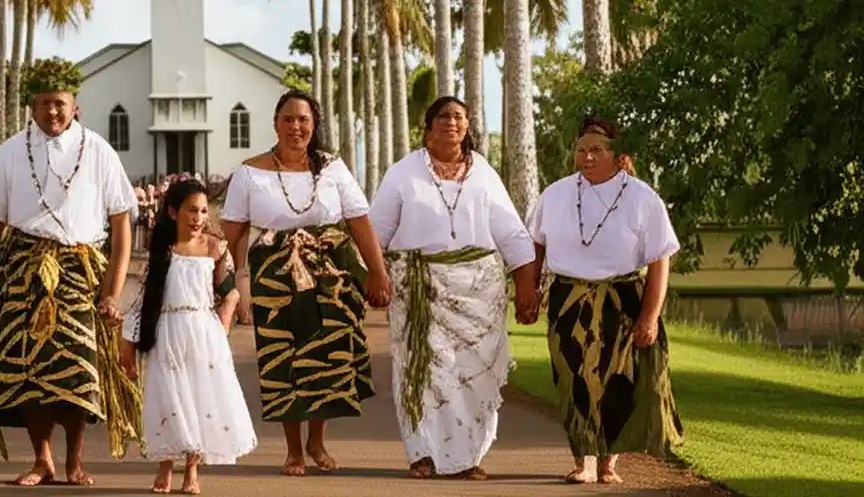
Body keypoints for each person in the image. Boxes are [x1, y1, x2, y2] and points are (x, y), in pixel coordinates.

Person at [0, 57, 142, 487]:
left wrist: (112, 292)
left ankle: (74, 461)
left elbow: (122, 229)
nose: (53, 112)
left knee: (79, 367)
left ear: (75, 105)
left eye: (61, 103)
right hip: (21, 274)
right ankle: (41, 459)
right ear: (32, 106)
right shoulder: (9, 153)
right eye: (44, 103)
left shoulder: (99, 150)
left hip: (80, 275)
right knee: (28, 371)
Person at [219, 88, 392, 477]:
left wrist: (377, 272)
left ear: (314, 126)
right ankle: (293, 450)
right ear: (276, 124)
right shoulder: (249, 171)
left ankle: (318, 440)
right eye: (288, 119)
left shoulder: (332, 168)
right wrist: (222, 283)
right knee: (283, 357)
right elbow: (230, 235)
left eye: (304, 120)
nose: (296, 127)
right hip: (275, 277)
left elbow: (359, 222)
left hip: (330, 272)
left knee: (327, 355)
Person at [369, 96, 538, 480]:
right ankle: (423, 453)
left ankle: (468, 457)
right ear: (428, 129)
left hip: (480, 289)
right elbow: (376, 234)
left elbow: (511, 232)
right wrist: (376, 276)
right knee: (422, 371)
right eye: (443, 116)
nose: (451, 122)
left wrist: (527, 286)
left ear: (468, 126)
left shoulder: (483, 173)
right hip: (419, 290)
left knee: (473, 372)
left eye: (459, 116)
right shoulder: (402, 174)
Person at [525, 116, 685, 485]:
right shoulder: (556, 193)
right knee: (573, 379)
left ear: (619, 155)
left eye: (597, 150)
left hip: (623, 298)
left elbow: (659, 261)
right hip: (568, 299)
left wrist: (649, 317)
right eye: (581, 150)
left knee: (617, 382)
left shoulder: (644, 198)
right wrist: (530, 292)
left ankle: (609, 461)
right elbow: (535, 245)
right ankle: (584, 461)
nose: (588, 157)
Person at [119, 179, 257, 494]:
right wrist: (127, 347)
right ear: (173, 212)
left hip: (203, 333)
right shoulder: (163, 251)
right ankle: (165, 465)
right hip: (168, 332)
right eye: (191, 210)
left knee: (198, 399)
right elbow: (143, 301)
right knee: (169, 399)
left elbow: (230, 292)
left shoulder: (214, 247)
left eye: (203, 211)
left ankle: (191, 471)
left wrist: (223, 322)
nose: (198, 218)